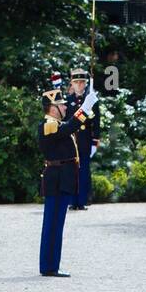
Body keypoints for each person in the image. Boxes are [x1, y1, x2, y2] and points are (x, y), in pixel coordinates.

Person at [38, 84, 96, 277]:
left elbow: (69, 127)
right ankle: (48, 265)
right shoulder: (48, 124)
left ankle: (52, 264)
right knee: (52, 223)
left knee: (57, 223)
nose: (65, 108)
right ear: (52, 108)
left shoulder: (56, 124)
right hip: (56, 177)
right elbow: (69, 127)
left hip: (63, 177)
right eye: (61, 105)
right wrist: (85, 108)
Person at [67, 67, 100, 210]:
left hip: (85, 139)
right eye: (76, 82)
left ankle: (82, 201)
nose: (79, 85)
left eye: (82, 82)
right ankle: (71, 200)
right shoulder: (67, 101)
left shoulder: (91, 100)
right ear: (72, 84)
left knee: (84, 171)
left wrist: (95, 141)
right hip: (71, 139)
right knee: (71, 170)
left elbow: (96, 121)